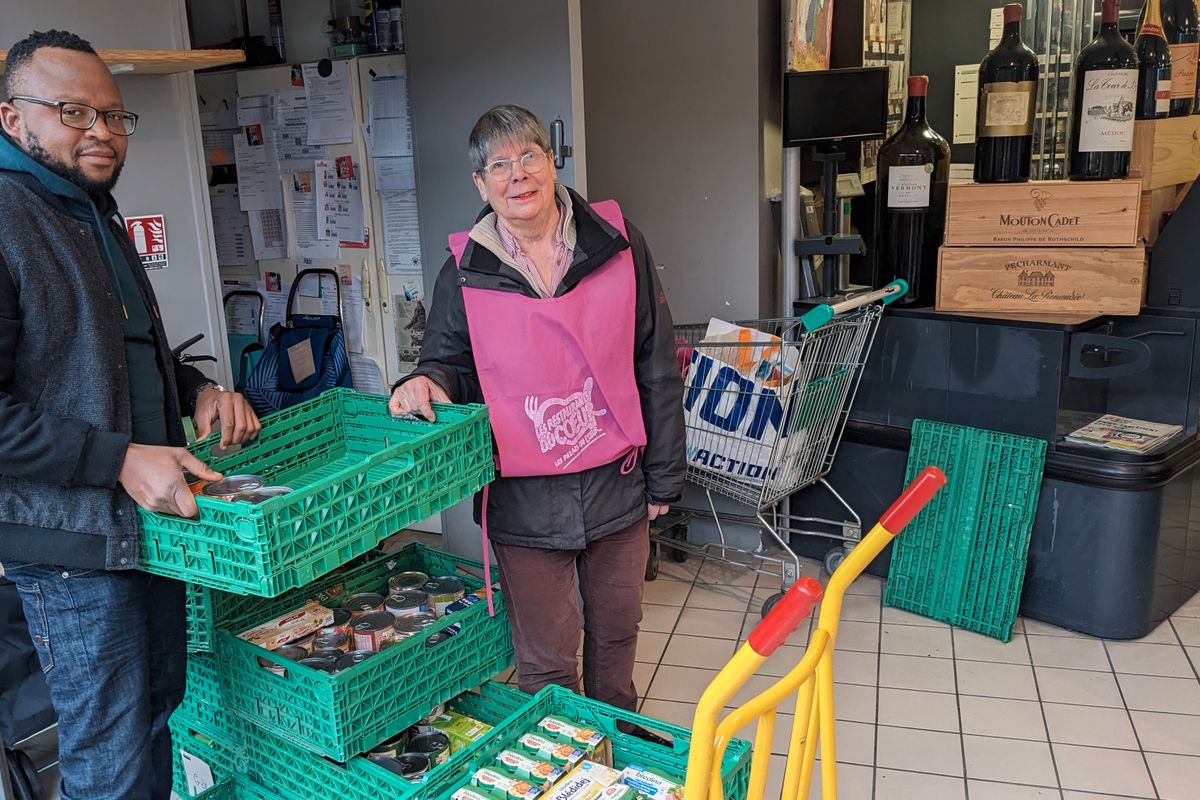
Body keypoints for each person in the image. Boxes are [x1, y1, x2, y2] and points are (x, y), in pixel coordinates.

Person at [0, 30, 261, 800]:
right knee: (109, 760)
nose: (103, 133)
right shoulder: (9, 217)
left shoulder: (90, 212)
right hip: (74, 548)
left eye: (114, 117)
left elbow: (116, 356)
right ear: (14, 119)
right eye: (74, 113)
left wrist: (195, 392)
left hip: (144, 524)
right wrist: (116, 457)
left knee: (154, 718)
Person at [390, 105, 685, 714]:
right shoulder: (464, 272)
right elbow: (446, 362)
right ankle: (561, 770)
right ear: (480, 184)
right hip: (523, 502)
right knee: (548, 659)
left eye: (528, 156)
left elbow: (654, 360)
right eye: (498, 164)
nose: (516, 174)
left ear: (553, 163)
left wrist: (665, 475)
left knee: (616, 641)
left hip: (617, 483)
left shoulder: (617, 243)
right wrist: (422, 382)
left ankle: (619, 757)